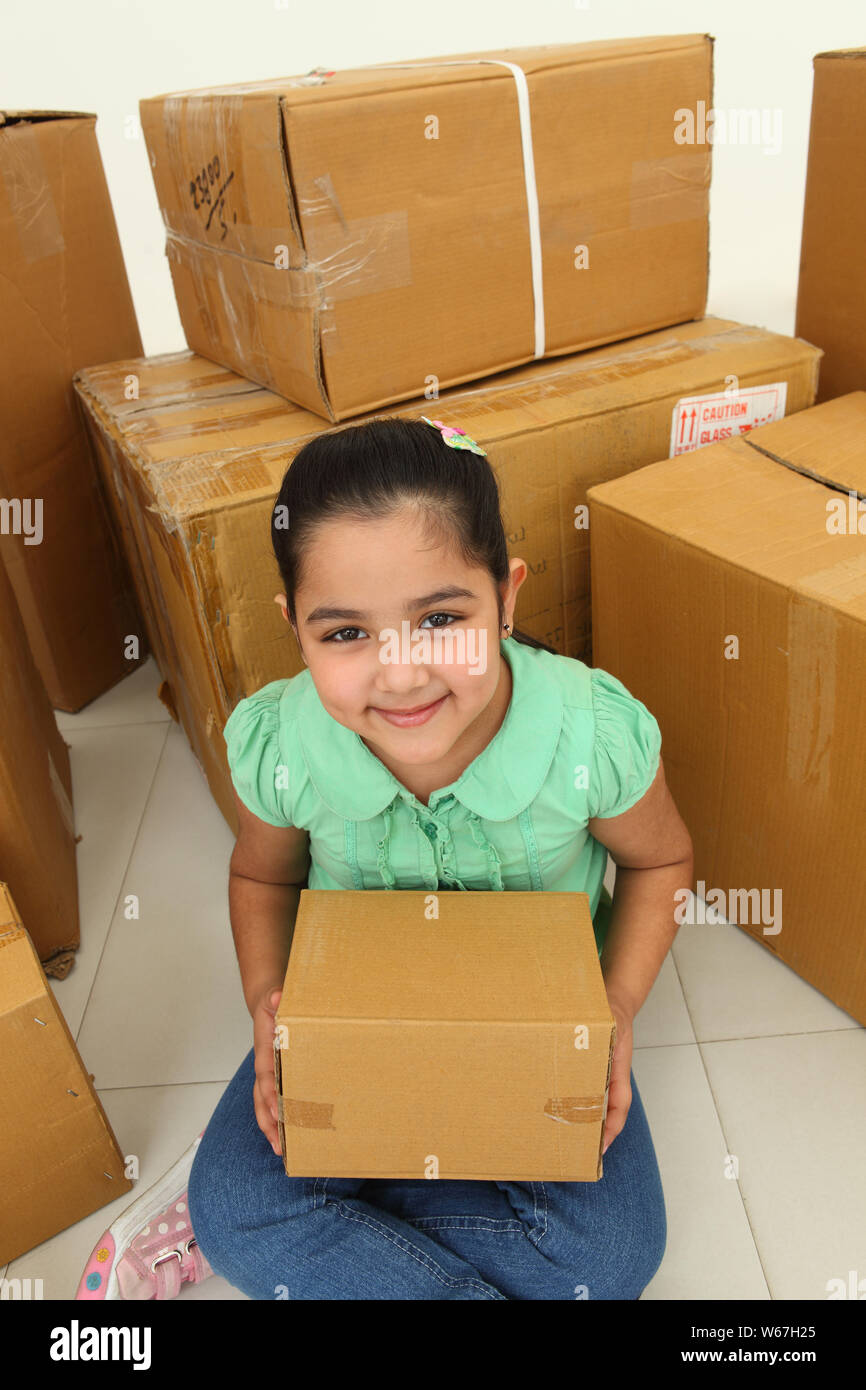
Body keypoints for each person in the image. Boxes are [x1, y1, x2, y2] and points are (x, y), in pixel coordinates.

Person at [78, 415, 693, 1301]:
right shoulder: (285, 740)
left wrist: (618, 1007)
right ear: (294, 626)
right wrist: (265, 1003)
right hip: (353, 1024)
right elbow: (260, 875)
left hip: (539, 1029)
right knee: (235, 1210)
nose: (401, 676)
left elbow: (661, 863)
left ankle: (356, 1228)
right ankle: (320, 1218)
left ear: (507, 598)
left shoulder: (590, 733)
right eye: (346, 635)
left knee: (613, 1257)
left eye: (440, 618)